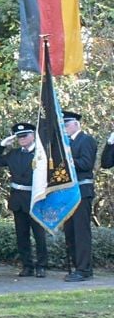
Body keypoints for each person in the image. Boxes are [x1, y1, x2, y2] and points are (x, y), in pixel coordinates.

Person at [0, 122, 48, 277]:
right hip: (18, 199)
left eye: (25, 136)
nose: (22, 139)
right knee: (22, 235)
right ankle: (27, 265)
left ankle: (41, 265)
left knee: (39, 234)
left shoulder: (41, 154)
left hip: (35, 197)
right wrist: (2, 146)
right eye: (19, 137)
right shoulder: (14, 154)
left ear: (33, 136)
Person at [62, 111, 97, 282]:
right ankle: (77, 266)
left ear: (76, 124)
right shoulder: (65, 143)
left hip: (82, 191)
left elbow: (86, 164)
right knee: (70, 231)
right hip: (68, 192)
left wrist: (67, 159)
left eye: (67, 124)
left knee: (81, 232)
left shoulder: (86, 140)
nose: (65, 128)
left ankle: (84, 269)